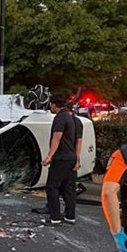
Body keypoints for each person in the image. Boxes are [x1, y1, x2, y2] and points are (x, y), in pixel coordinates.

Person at [42, 94, 83, 225]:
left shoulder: (60, 118)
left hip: (61, 157)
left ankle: (55, 218)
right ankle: (70, 216)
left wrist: (50, 156)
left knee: (52, 186)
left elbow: (57, 137)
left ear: (54, 105)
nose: (50, 107)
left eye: (51, 105)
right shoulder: (74, 119)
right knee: (69, 188)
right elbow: (78, 141)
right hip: (71, 157)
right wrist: (77, 158)